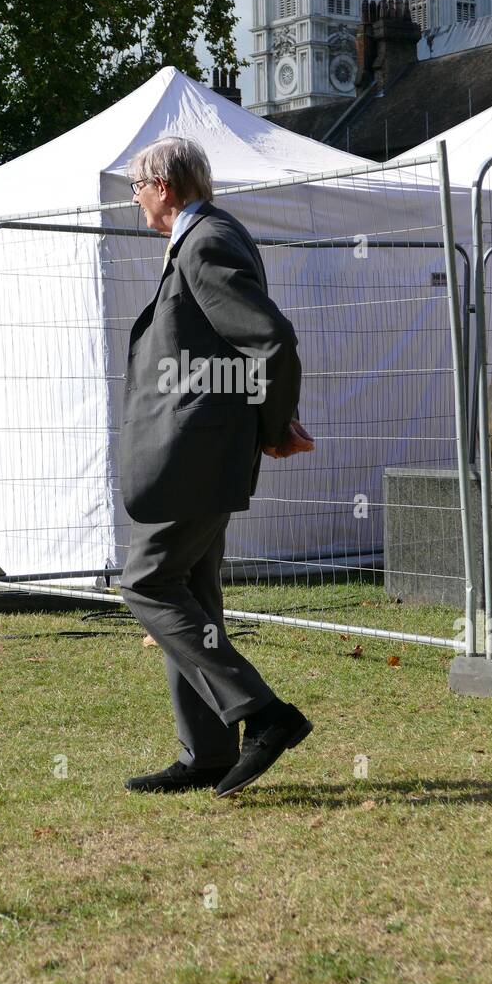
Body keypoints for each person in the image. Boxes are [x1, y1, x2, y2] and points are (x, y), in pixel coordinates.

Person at [119, 136, 315, 798]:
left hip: (196, 454)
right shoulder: (205, 237)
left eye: (138, 187)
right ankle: (205, 754)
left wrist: (274, 426)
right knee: (193, 594)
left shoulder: (205, 241)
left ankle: (265, 715)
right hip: (199, 452)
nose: (136, 199)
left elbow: (271, 338)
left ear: (165, 187)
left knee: (146, 583)